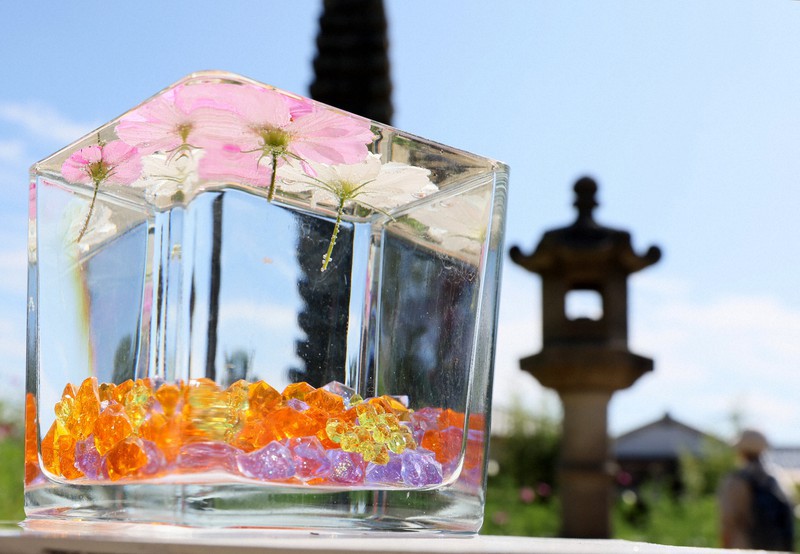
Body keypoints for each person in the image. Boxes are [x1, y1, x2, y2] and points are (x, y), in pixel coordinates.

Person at [719, 429, 795, 551]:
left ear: (741, 451)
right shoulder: (778, 477)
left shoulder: (735, 481)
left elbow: (728, 523)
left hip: (744, 549)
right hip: (777, 549)